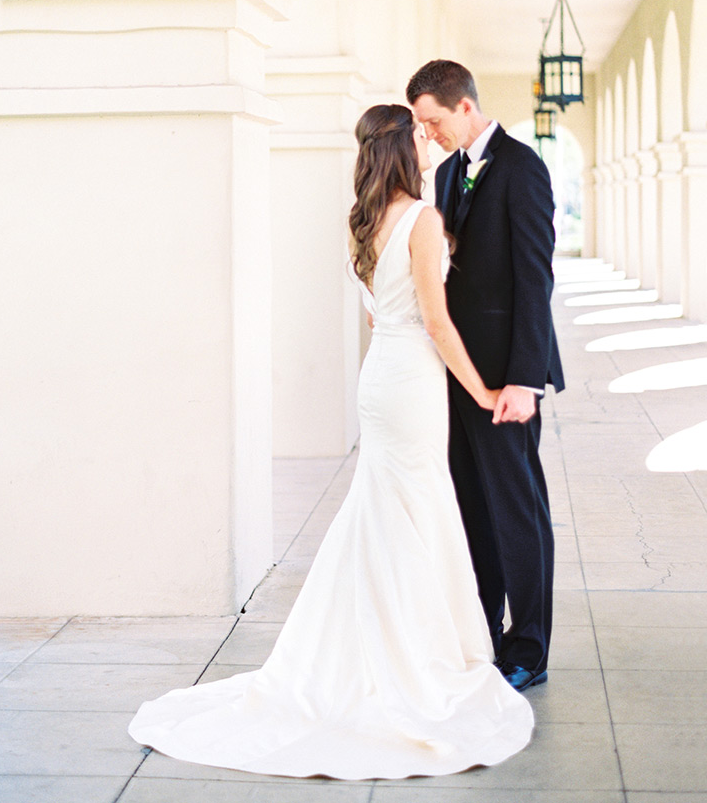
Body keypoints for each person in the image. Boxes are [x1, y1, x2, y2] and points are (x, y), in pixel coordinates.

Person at [128, 104, 533, 779]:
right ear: (405, 148)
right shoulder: (423, 220)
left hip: (380, 378)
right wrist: (483, 391)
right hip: (411, 381)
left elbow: (381, 318)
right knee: (415, 505)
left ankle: (377, 641)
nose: (430, 141)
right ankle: (411, 653)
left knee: (385, 509)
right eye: (421, 134)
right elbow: (436, 322)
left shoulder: (363, 223)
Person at [406, 59, 565, 693]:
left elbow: (536, 278)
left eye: (433, 121)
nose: (429, 132)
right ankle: (487, 636)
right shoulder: (446, 174)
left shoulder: (523, 168)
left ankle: (530, 646)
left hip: (507, 380)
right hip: (461, 375)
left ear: (464, 107)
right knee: (474, 510)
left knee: (517, 511)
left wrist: (526, 379)